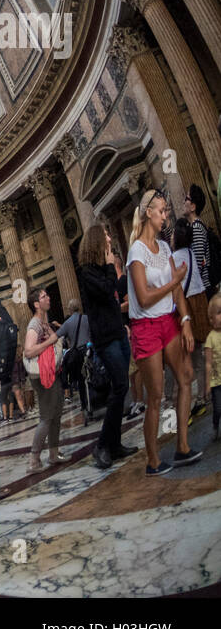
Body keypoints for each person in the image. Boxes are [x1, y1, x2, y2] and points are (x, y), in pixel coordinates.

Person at [126, 190, 200, 473]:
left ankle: (182, 447)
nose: (166, 215)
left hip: (169, 322)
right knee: (155, 396)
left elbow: (177, 289)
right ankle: (153, 460)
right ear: (148, 213)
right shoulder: (136, 251)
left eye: (167, 211)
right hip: (145, 327)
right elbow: (144, 297)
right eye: (161, 210)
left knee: (186, 377)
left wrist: (186, 320)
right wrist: (174, 282)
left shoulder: (165, 248)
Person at [77, 224, 136, 469]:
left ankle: (114, 444)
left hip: (117, 333)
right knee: (120, 386)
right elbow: (107, 289)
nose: (110, 239)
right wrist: (112, 265)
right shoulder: (86, 272)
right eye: (106, 236)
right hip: (106, 339)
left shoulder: (101, 269)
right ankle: (102, 445)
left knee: (121, 387)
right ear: (96, 242)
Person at [23, 288, 68, 473]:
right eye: (44, 297)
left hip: (52, 372)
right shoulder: (34, 324)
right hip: (42, 376)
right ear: (36, 304)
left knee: (56, 414)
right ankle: (34, 460)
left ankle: (53, 453)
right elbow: (28, 350)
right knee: (46, 417)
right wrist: (50, 341)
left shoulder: (44, 321)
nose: (48, 298)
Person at [174, 198, 211, 423]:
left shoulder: (176, 257)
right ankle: (207, 393)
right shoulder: (189, 253)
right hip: (200, 300)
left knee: (192, 354)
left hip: (187, 305)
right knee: (204, 348)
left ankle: (200, 396)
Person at [55, 299, 92, 425]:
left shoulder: (67, 323)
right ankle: (95, 400)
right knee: (92, 376)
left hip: (77, 355)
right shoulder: (87, 318)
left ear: (70, 310)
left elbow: (57, 336)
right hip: (89, 351)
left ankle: (84, 404)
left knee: (81, 381)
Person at [205, 295, 221, 439]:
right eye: (219, 312)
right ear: (211, 319)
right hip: (216, 381)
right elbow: (208, 363)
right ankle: (216, 425)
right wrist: (207, 384)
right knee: (217, 408)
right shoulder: (210, 338)